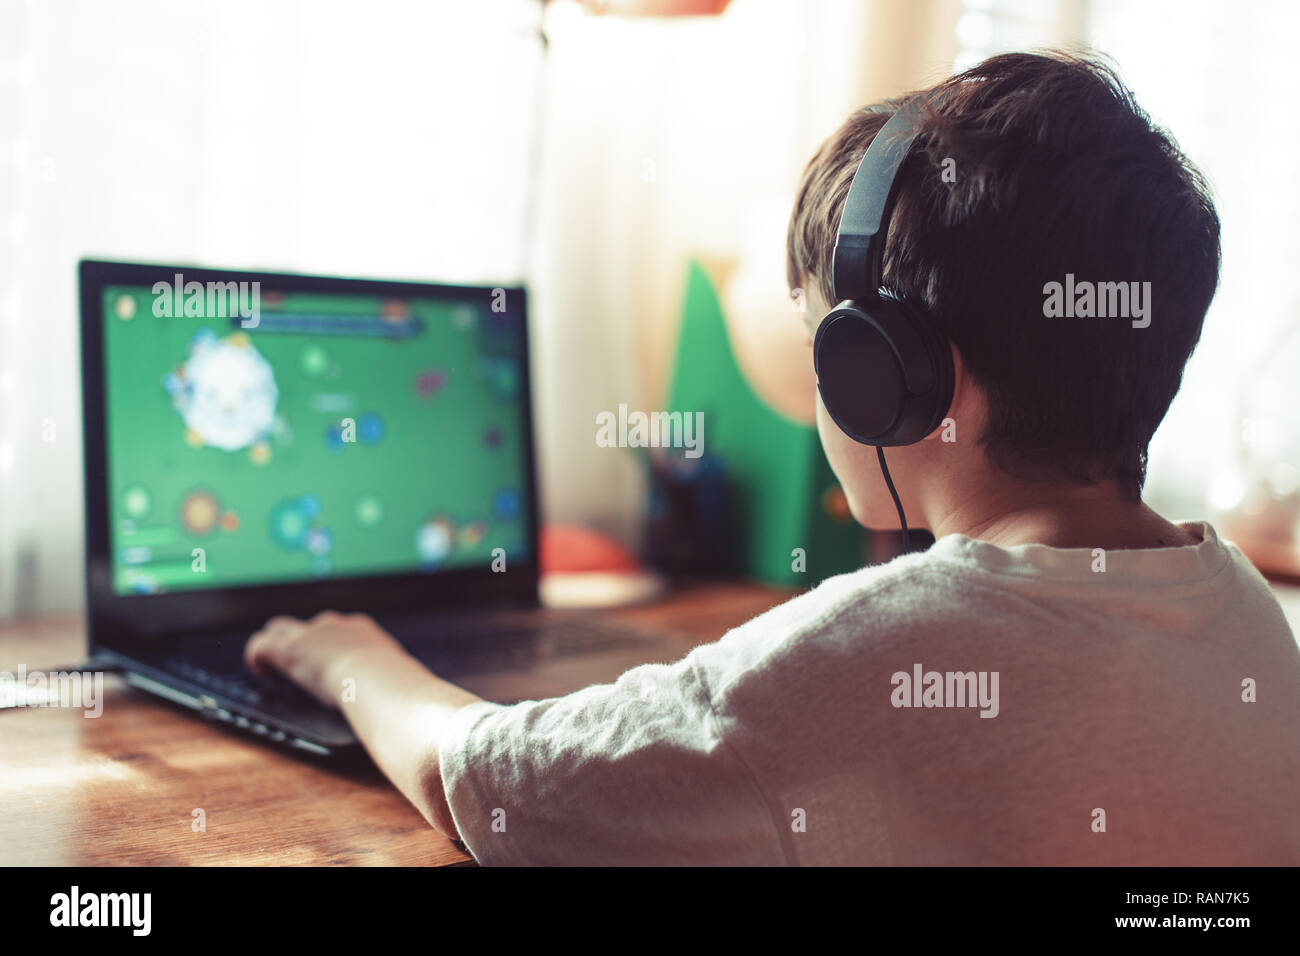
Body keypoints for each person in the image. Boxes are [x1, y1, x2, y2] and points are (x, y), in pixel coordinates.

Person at [245, 52, 1300, 865]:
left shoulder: (876, 646)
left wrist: (346, 658)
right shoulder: (1245, 611)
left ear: (893, 375)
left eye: (820, 342)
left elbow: (481, 781)